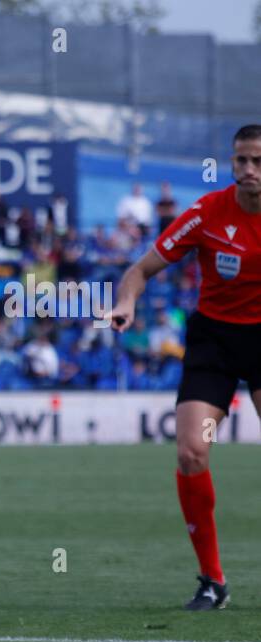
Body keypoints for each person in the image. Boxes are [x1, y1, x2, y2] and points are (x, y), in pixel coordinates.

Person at [107, 125, 261, 611]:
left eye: (257, 160)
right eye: (241, 161)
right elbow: (140, 270)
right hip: (213, 344)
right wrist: (126, 304)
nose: (249, 170)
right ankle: (213, 581)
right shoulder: (207, 213)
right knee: (194, 450)